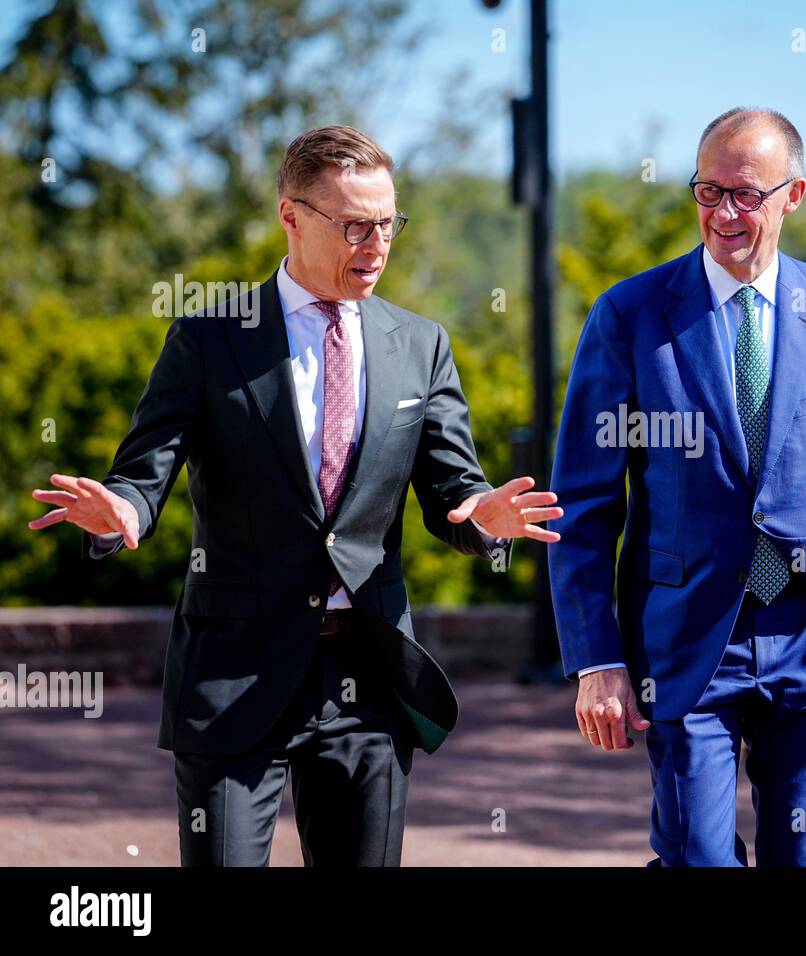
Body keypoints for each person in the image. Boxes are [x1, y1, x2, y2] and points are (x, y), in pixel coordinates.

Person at [28, 124, 561, 866]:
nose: (375, 243)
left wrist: (484, 518)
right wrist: (120, 514)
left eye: (387, 223)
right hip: (236, 673)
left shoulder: (421, 344)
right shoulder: (210, 338)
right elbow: (143, 476)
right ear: (291, 216)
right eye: (353, 225)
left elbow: (454, 491)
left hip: (369, 678)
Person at [548, 107, 806, 866]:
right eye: (708, 191)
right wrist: (596, 660)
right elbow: (586, 506)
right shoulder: (628, 317)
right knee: (697, 854)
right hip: (685, 642)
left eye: (746, 194)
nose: (724, 213)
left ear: (793, 195)